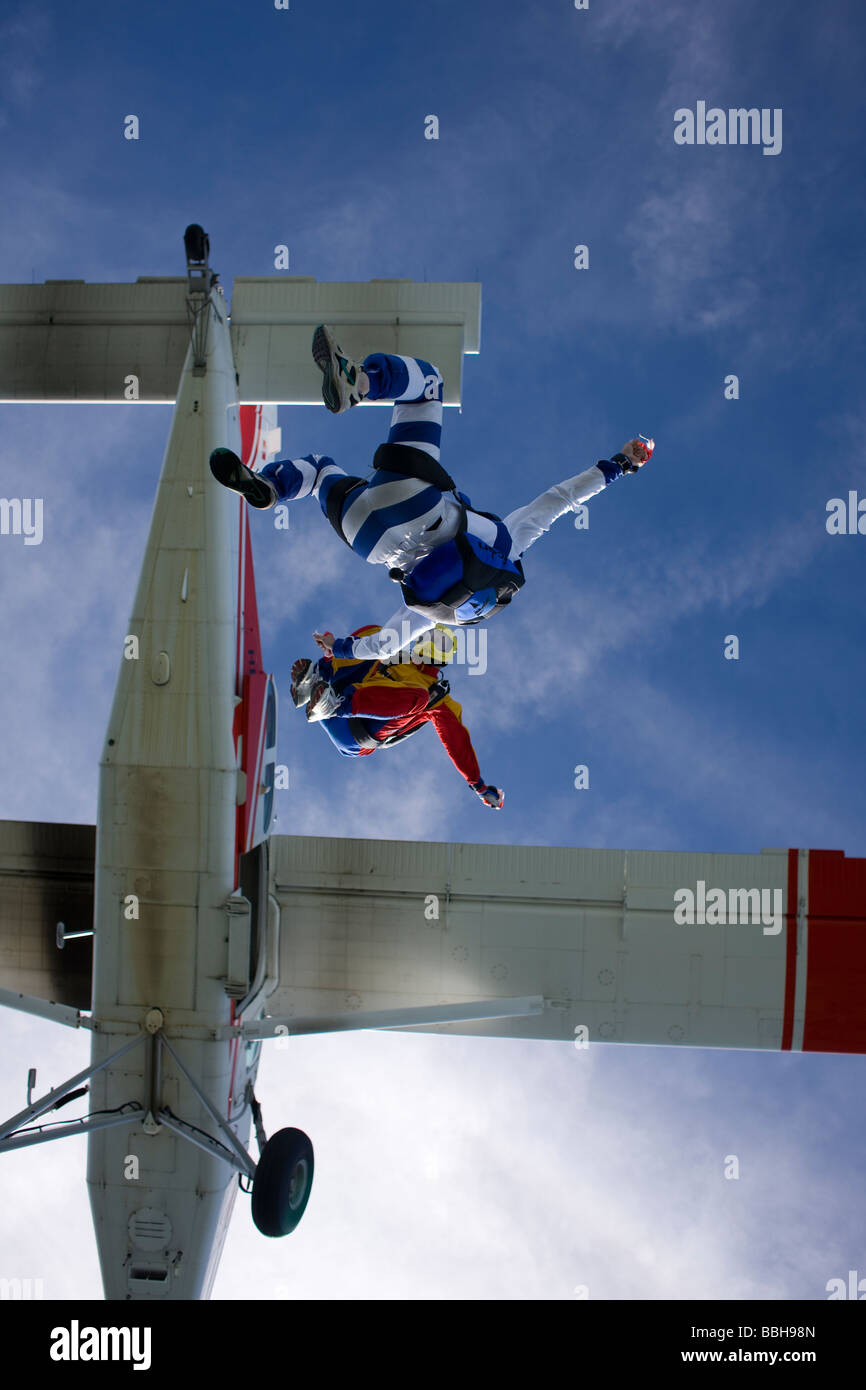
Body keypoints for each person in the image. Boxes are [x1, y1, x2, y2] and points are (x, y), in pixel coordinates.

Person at [210, 324, 654, 662]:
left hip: (418, 504)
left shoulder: (509, 543)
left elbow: (559, 500)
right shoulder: (434, 607)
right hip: (368, 539)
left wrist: (620, 464)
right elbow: (384, 648)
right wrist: (340, 649)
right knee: (320, 470)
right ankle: (267, 488)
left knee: (428, 385)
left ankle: (359, 382)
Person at [291, 624, 504, 809]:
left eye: (439, 642)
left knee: (421, 697)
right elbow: (369, 645)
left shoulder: (438, 698)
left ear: (444, 657)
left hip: (356, 732)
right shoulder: (397, 655)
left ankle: (335, 703)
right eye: (428, 636)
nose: (429, 641)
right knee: (379, 637)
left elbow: (458, 743)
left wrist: (479, 785)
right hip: (335, 695)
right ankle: (316, 678)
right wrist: (335, 647)